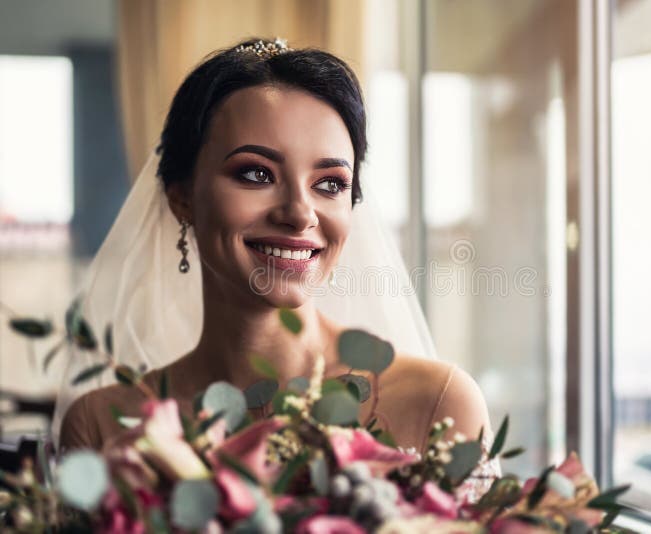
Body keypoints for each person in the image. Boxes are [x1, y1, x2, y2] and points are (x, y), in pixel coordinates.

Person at [55, 38, 499, 488]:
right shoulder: (102, 427)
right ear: (182, 198)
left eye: (329, 184)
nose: (301, 213)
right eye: (256, 174)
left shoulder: (438, 405)